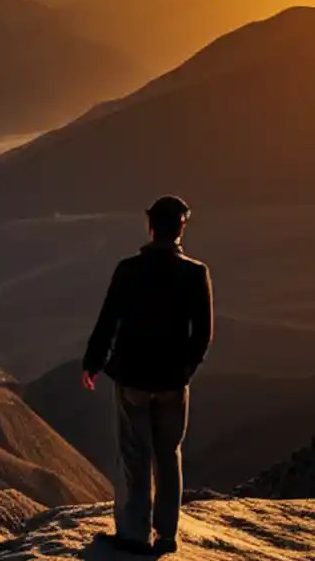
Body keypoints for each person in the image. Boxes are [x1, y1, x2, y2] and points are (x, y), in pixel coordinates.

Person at [81, 195, 213, 556]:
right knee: (168, 454)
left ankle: (133, 533)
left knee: (134, 455)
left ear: (150, 226)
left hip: (132, 379)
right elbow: (202, 334)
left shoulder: (129, 270)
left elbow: (108, 320)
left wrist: (93, 363)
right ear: (180, 229)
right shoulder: (195, 273)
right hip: (173, 382)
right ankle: (167, 534)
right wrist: (185, 370)